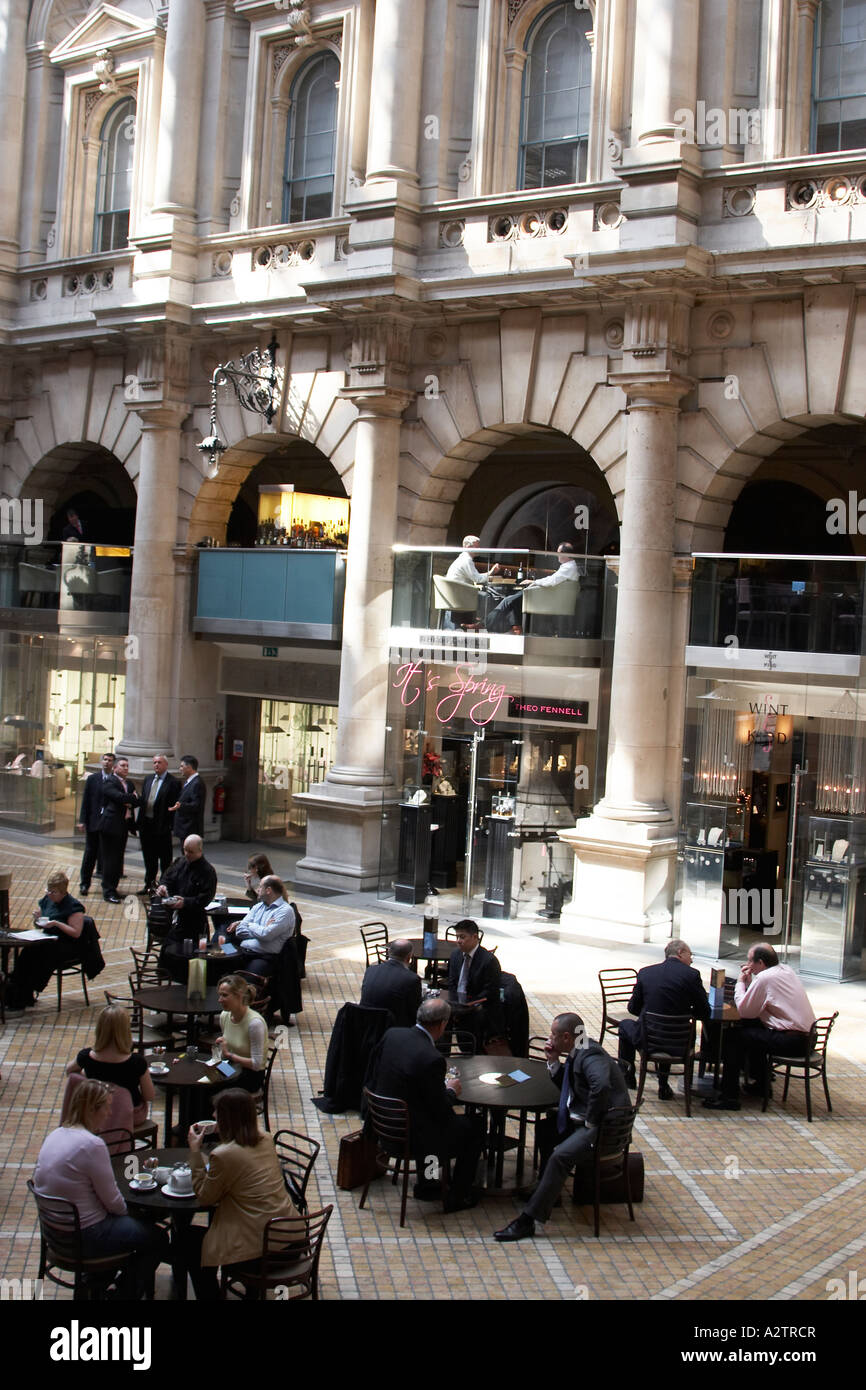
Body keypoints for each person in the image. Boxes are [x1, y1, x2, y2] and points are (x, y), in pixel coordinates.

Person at [494, 1012, 630, 1242]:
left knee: (559, 1156)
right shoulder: (580, 1049)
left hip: (604, 1131)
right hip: (588, 1123)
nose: (549, 1038)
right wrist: (553, 1061)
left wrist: (591, 1120)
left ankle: (528, 1221)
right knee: (546, 1130)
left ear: (567, 1037)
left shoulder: (590, 1055)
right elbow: (571, 1086)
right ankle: (548, 1193)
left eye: (553, 1035)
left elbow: (601, 1085)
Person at [33, 1078, 167, 1298]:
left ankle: (95, 1285)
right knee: (157, 1238)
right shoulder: (91, 1145)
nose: (108, 1113)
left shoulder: (55, 1135)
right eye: (106, 1106)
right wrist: (133, 1214)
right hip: (86, 1236)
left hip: (54, 1233)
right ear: (92, 1109)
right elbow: (114, 1203)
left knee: (128, 1230)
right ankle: (123, 1294)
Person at [370, 997, 483, 1212]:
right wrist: (450, 1091)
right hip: (411, 1135)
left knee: (428, 1120)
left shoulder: (392, 1035)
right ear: (442, 1025)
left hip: (384, 1125)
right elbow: (440, 1110)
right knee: (473, 1127)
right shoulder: (431, 1058)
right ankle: (458, 1195)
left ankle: (429, 1182)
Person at [185, 1088, 297, 1299]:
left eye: (217, 1112)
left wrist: (194, 1152)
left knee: (190, 1242)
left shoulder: (223, 1156)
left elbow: (205, 1197)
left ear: (227, 1118)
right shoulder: (266, 1138)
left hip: (262, 1254)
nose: (213, 1116)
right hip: (292, 1241)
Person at [703, 944, 817, 1111]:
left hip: (792, 1041)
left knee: (733, 1038)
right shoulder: (785, 970)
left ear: (761, 963)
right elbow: (757, 1007)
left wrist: (741, 983)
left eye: (750, 961)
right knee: (752, 1028)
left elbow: (744, 1010)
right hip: (807, 1039)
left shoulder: (765, 978)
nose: (747, 965)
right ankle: (761, 1085)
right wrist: (751, 984)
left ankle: (729, 1097)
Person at [617, 939, 710, 1097]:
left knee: (625, 1025)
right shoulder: (692, 975)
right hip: (679, 1042)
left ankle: (628, 1075)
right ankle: (663, 1085)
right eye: (690, 954)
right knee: (668, 1029)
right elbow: (704, 1012)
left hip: (648, 1041)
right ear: (680, 953)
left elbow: (632, 1008)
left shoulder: (646, 973)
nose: (691, 959)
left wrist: (651, 1011)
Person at [6, 870, 101, 1012]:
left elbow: (76, 933)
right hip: (48, 939)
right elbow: (40, 924)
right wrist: (37, 919)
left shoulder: (73, 906)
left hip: (68, 945)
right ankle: (18, 991)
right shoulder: (47, 899)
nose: (50, 894)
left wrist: (57, 924)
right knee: (27, 952)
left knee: (41, 956)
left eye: (53, 892)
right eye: (48, 891)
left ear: (63, 892)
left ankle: (24, 993)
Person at [66, 1003, 155, 1127]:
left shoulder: (86, 1057)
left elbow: (70, 1072)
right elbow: (149, 1095)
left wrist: (86, 1076)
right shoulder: (137, 1062)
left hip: (95, 1113)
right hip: (129, 1115)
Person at [155, 835, 218, 980]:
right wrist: (163, 886)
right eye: (185, 850)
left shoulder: (207, 871)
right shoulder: (180, 862)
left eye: (191, 852)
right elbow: (166, 877)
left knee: (191, 955)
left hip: (194, 920)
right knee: (169, 951)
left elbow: (205, 898)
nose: (187, 854)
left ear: (199, 850)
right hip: (175, 917)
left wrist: (186, 902)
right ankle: (167, 976)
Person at [486, 541, 579, 634]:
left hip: (547, 598)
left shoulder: (569, 567)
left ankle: (487, 624)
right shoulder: (569, 567)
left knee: (509, 601)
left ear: (566, 554)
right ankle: (516, 628)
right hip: (547, 595)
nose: (557, 555)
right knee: (512, 600)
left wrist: (534, 582)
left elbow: (552, 581)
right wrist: (535, 583)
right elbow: (552, 579)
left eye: (558, 552)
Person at [77, 750, 135, 902]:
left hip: (111, 825)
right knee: (90, 854)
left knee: (108, 857)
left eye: (110, 760)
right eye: (105, 759)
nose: (107, 762)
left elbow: (133, 800)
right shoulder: (93, 779)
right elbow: (86, 801)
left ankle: (108, 885)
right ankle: (85, 883)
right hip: (94, 822)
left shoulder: (121, 781)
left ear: (113, 764)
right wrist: (82, 820)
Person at [225, 875, 296, 978]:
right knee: (221, 963)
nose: (257, 889)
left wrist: (250, 925)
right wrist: (260, 929)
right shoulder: (258, 907)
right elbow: (239, 931)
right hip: (243, 951)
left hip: (264, 957)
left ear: (268, 890)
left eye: (260, 886)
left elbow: (266, 935)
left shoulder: (285, 911)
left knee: (247, 981)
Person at [446, 918, 505, 1043]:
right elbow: (451, 982)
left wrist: (468, 1005)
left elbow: (490, 992)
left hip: (478, 1007)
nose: (458, 941)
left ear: (474, 937)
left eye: (462, 937)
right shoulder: (455, 955)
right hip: (457, 1003)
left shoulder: (489, 961)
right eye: (457, 937)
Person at [214, 975, 268, 1095]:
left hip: (250, 1075)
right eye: (220, 995)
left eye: (225, 995)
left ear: (238, 996)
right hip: (231, 1068)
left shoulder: (254, 1024)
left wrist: (229, 1055)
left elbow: (256, 1064)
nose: (220, 1000)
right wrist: (222, 1044)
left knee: (211, 1089)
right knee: (202, 1080)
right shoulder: (224, 1016)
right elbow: (228, 1043)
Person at [136, 753, 182, 893]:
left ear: (166, 765)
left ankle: (163, 885)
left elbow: (175, 806)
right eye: (155, 762)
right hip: (147, 825)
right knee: (149, 858)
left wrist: (172, 826)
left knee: (164, 859)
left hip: (162, 827)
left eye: (159, 762)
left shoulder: (173, 782)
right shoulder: (148, 779)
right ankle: (149, 884)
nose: (156, 765)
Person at [360, 939, 423, 1029]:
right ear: (409, 957)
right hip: (393, 1031)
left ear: (389, 952)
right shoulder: (411, 979)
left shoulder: (371, 970)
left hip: (365, 1025)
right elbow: (415, 1012)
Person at [442, 535, 501, 628]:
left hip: (455, 595)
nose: (479, 549)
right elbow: (478, 579)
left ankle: (476, 622)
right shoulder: (466, 560)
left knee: (484, 595)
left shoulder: (462, 559)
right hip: (460, 597)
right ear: (468, 547)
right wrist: (492, 572)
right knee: (488, 597)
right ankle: (484, 625)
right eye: (477, 547)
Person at [169, 754, 205, 845]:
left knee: (189, 854)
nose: (180, 769)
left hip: (190, 827)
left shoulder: (197, 783)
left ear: (189, 767)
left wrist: (181, 806)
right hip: (185, 827)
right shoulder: (190, 782)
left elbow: (196, 805)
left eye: (182, 766)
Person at [112, 756, 138, 885]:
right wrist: (129, 799)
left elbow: (137, 801)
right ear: (115, 767)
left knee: (119, 854)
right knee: (111, 857)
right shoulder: (110, 781)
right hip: (112, 824)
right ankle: (109, 888)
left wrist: (129, 801)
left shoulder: (130, 783)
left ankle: (115, 883)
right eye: (122, 765)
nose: (126, 768)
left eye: (127, 766)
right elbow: (118, 797)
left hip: (125, 824)